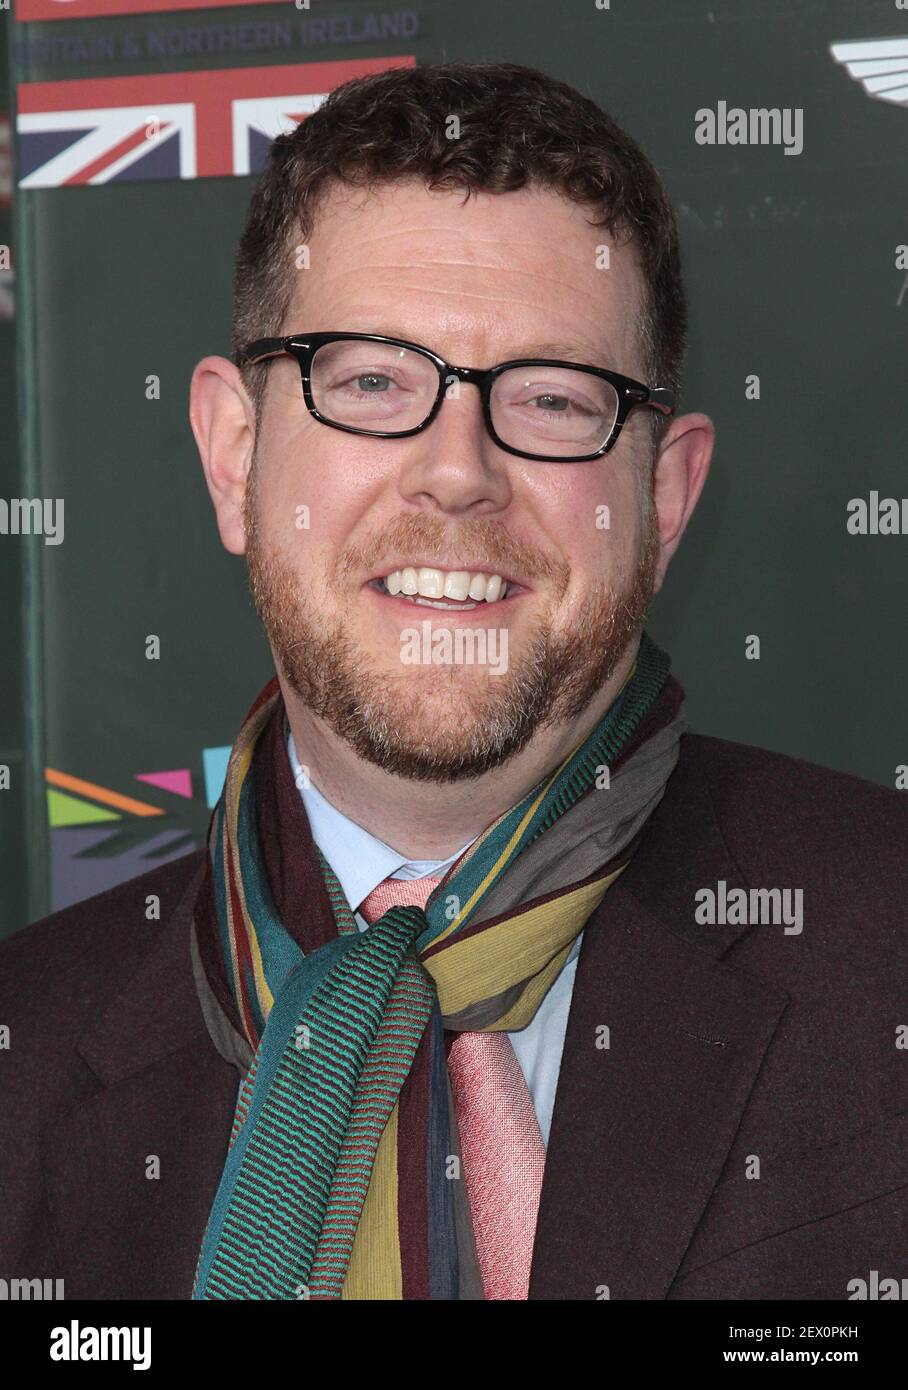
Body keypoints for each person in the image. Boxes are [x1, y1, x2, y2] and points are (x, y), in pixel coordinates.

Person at [2, 62, 906, 1302]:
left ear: (662, 499)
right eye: (370, 381)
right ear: (232, 456)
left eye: (546, 398)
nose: (455, 472)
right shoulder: (26, 1055)